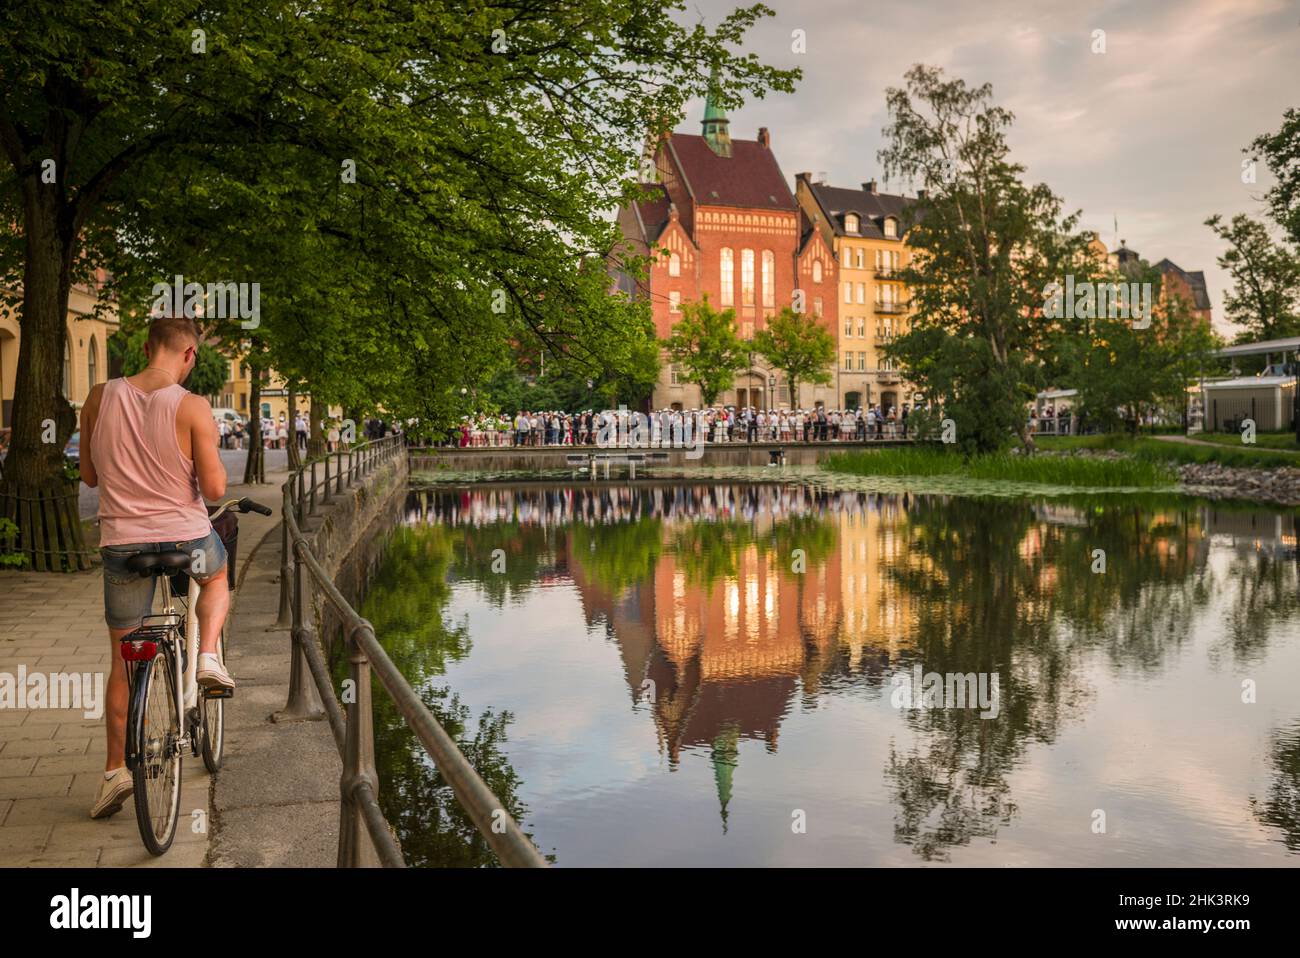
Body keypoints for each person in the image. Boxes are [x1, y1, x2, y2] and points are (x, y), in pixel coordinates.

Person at [78, 313, 233, 821]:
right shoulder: (191, 406)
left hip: (121, 544)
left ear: (147, 348)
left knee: (124, 657)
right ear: (190, 355)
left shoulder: (99, 397)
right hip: (184, 537)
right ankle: (208, 658)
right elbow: (213, 491)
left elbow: (90, 475)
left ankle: (112, 774)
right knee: (216, 577)